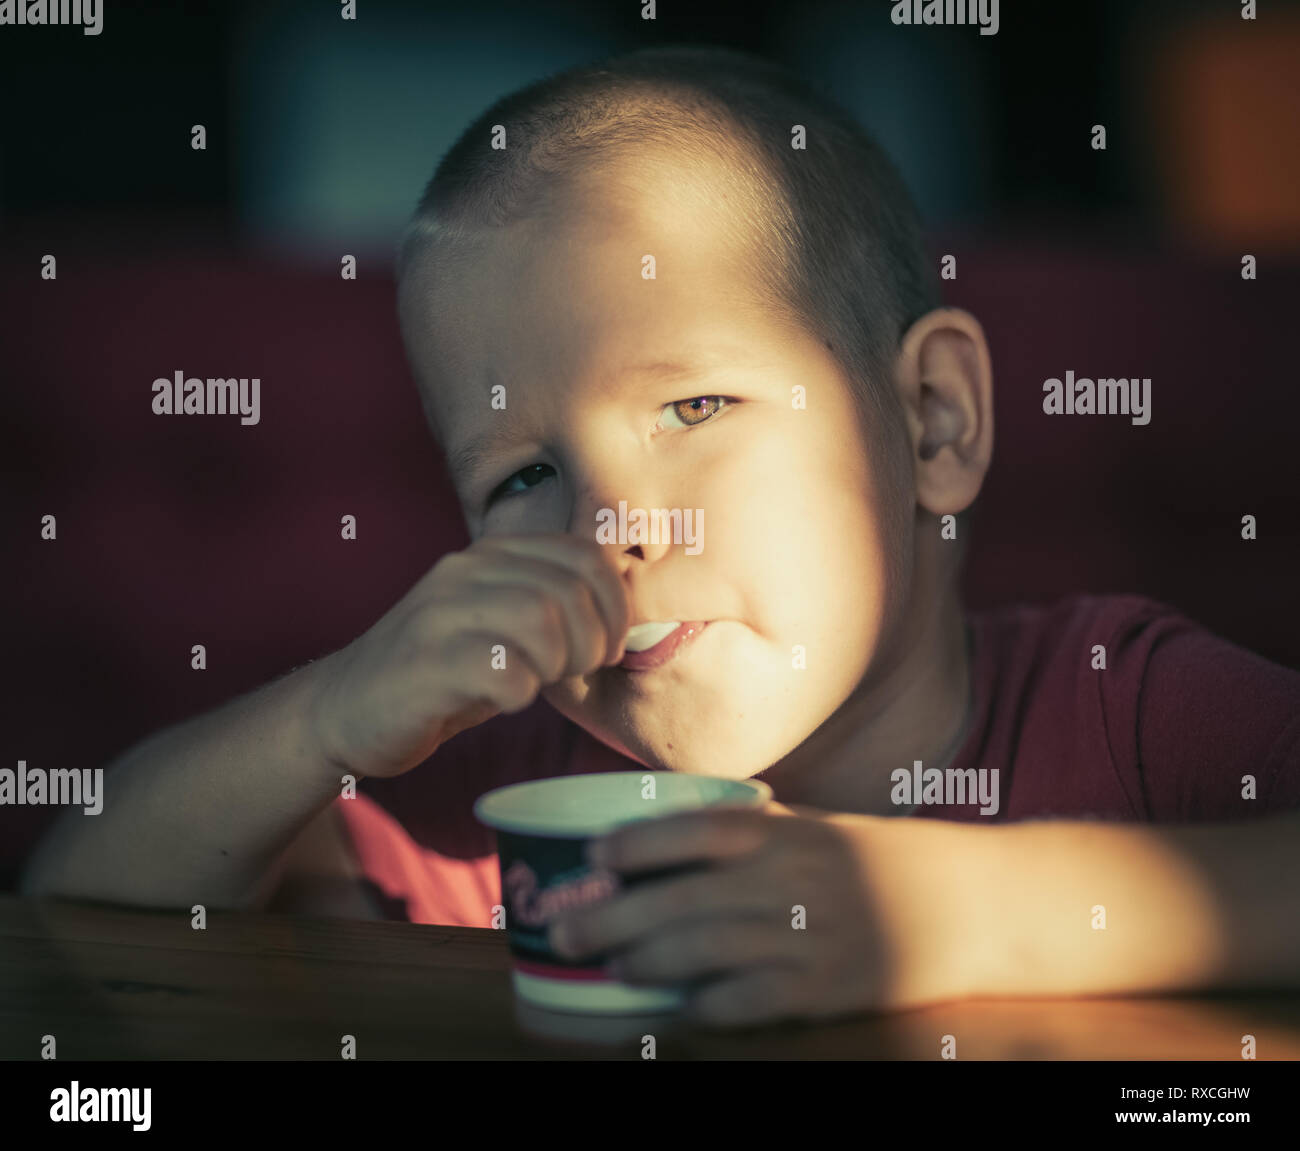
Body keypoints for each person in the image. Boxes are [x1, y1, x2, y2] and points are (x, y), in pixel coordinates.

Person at [22, 45, 1300, 1028]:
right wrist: (323, 721)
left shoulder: (1124, 709)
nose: (614, 528)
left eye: (694, 405)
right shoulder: (511, 808)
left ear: (932, 421)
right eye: (524, 473)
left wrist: (954, 916)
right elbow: (85, 905)